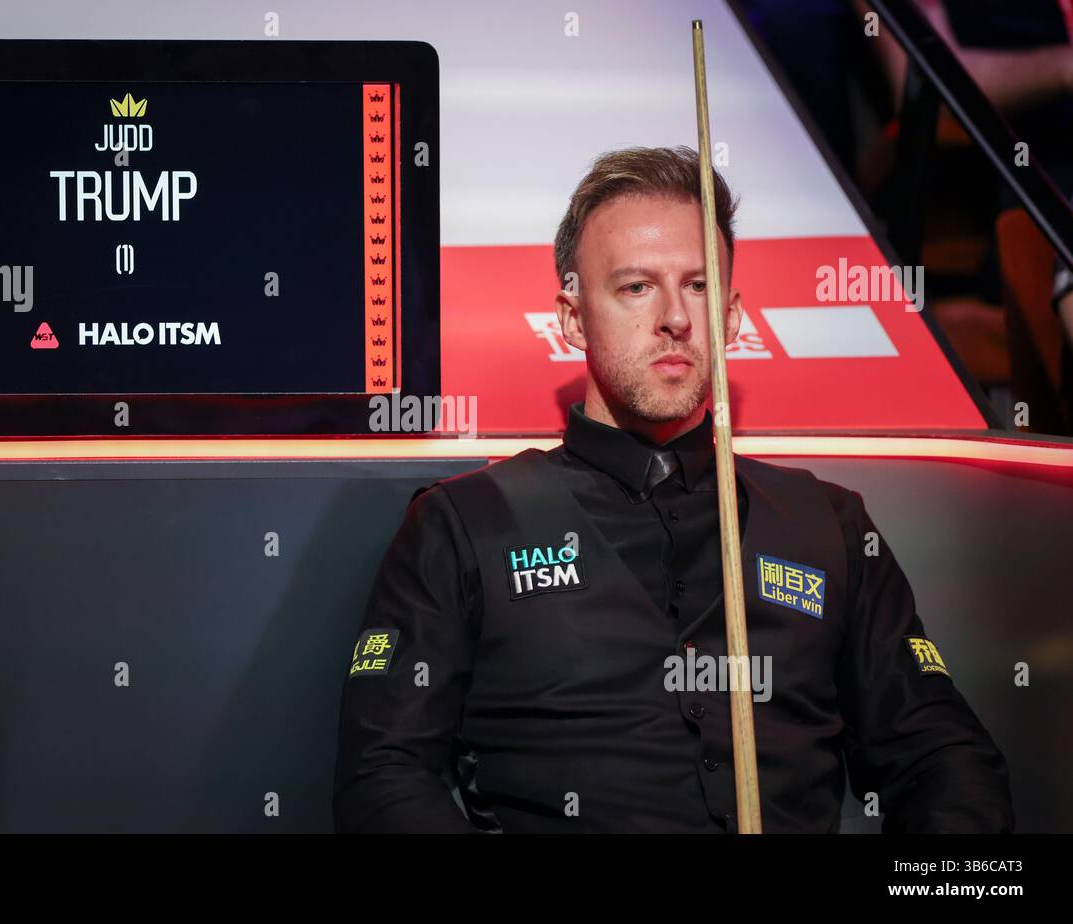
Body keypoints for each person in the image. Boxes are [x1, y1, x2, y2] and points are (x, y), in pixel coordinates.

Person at [332, 146, 1014, 833]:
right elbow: (382, 778)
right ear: (571, 318)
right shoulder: (464, 523)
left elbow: (943, 757)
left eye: (698, 286)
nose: (676, 319)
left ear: (733, 315)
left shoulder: (829, 523)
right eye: (635, 287)